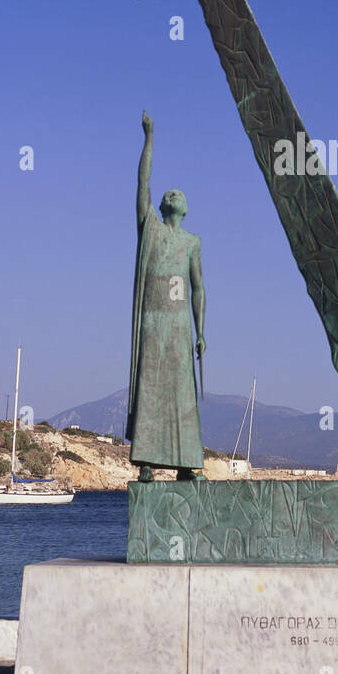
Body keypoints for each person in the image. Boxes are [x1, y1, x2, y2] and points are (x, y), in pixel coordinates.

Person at [126, 110, 206, 481]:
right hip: (153, 319)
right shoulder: (151, 230)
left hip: (178, 325)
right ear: (159, 206)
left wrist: (201, 331)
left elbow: (198, 287)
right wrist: (150, 137)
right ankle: (147, 461)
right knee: (152, 389)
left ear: (186, 209)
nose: (171, 192)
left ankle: (188, 464)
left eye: (179, 193)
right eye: (167, 193)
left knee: (182, 396)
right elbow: (143, 181)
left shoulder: (192, 242)